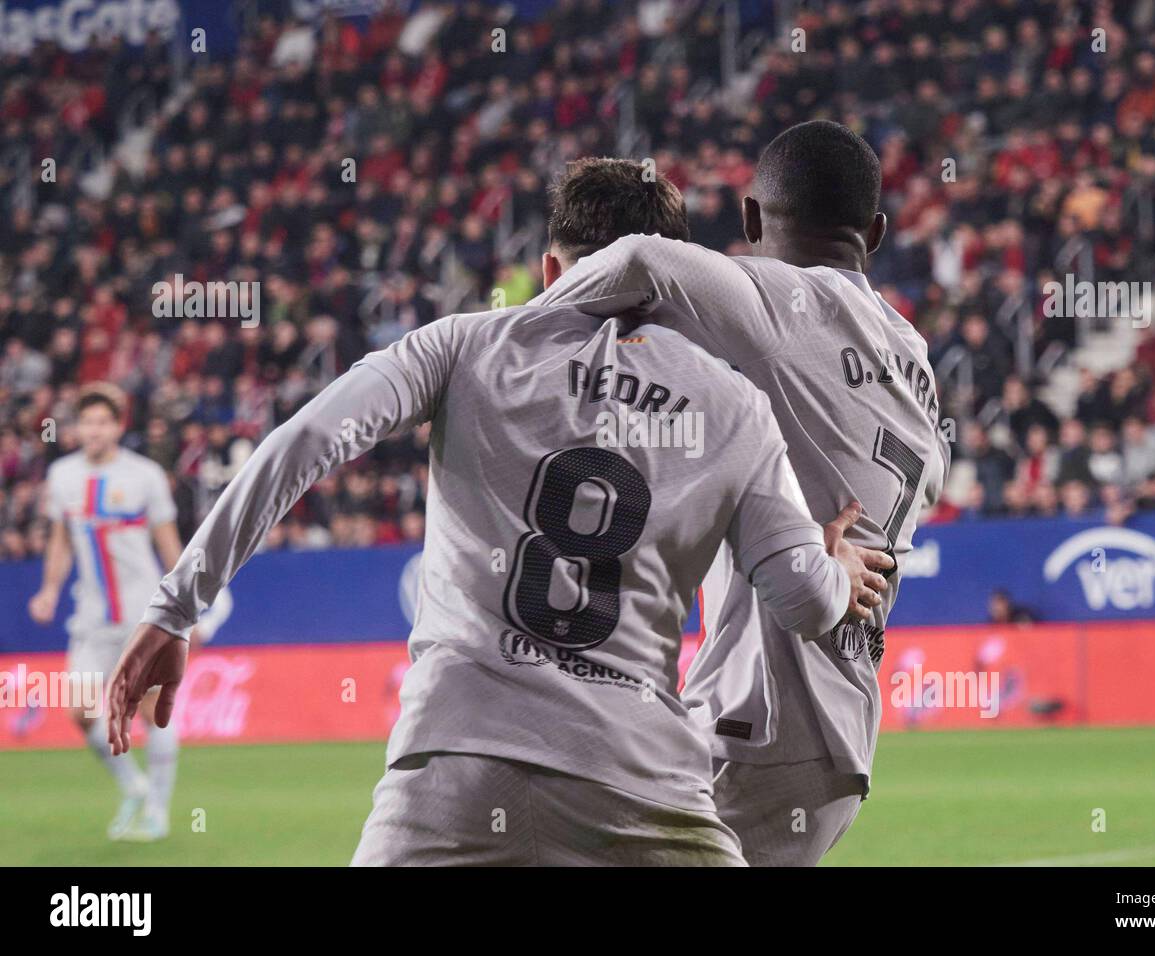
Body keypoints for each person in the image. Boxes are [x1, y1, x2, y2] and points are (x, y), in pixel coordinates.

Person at [106, 158, 890, 866]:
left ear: (552, 268)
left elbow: (307, 438)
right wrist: (835, 565)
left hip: (454, 766)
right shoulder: (735, 406)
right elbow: (805, 602)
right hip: (642, 787)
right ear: (678, 279)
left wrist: (178, 608)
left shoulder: (460, 346)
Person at [534, 121, 950, 865]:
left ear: (752, 219)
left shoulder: (776, 303)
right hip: (837, 729)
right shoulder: (911, 356)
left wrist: (505, 343)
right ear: (877, 232)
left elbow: (639, 258)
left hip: (758, 722)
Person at [28, 384, 187, 842]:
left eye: (102, 422)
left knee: (152, 710)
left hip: (144, 615)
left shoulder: (146, 475)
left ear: (118, 426)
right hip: (92, 618)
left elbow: (168, 543)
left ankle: (157, 811)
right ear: (77, 428)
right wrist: (49, 589)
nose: (93, 430)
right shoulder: (62, 476)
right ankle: (132, 785)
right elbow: (61, 540)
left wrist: (185, 605)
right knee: (79, 711)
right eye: (86, 422)